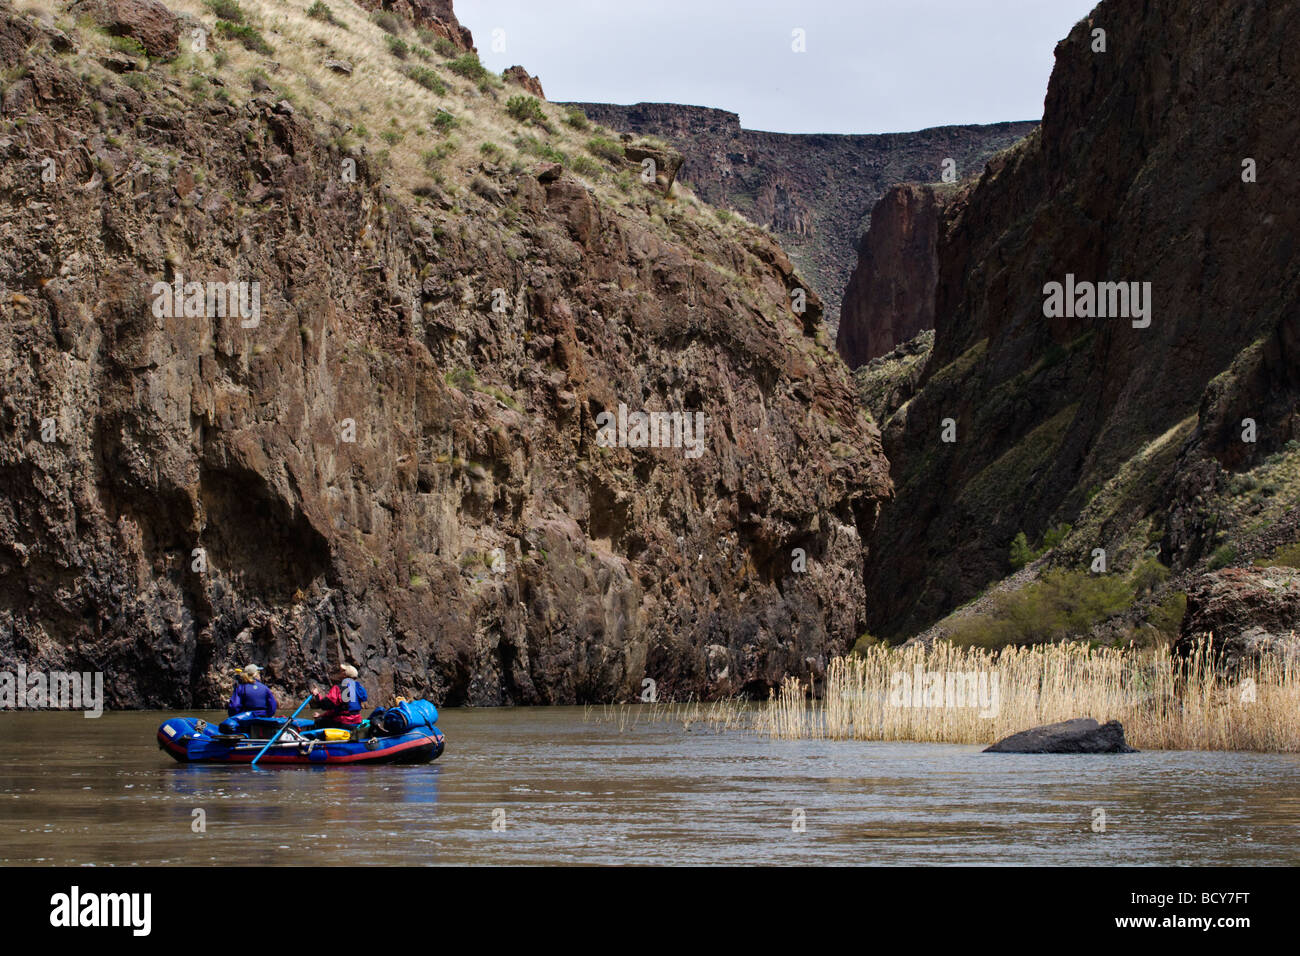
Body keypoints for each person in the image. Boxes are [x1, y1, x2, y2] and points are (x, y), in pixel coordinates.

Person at [309, 664, 368, 729]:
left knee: (319, 722)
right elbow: (338, 709)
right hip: (357, 721)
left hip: (343, 723)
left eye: (342, 671)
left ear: (345, 675)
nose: (340, 672)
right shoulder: (359, 688)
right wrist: (321, 715)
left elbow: (325, 705)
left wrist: (317, 695)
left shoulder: (338, 688)